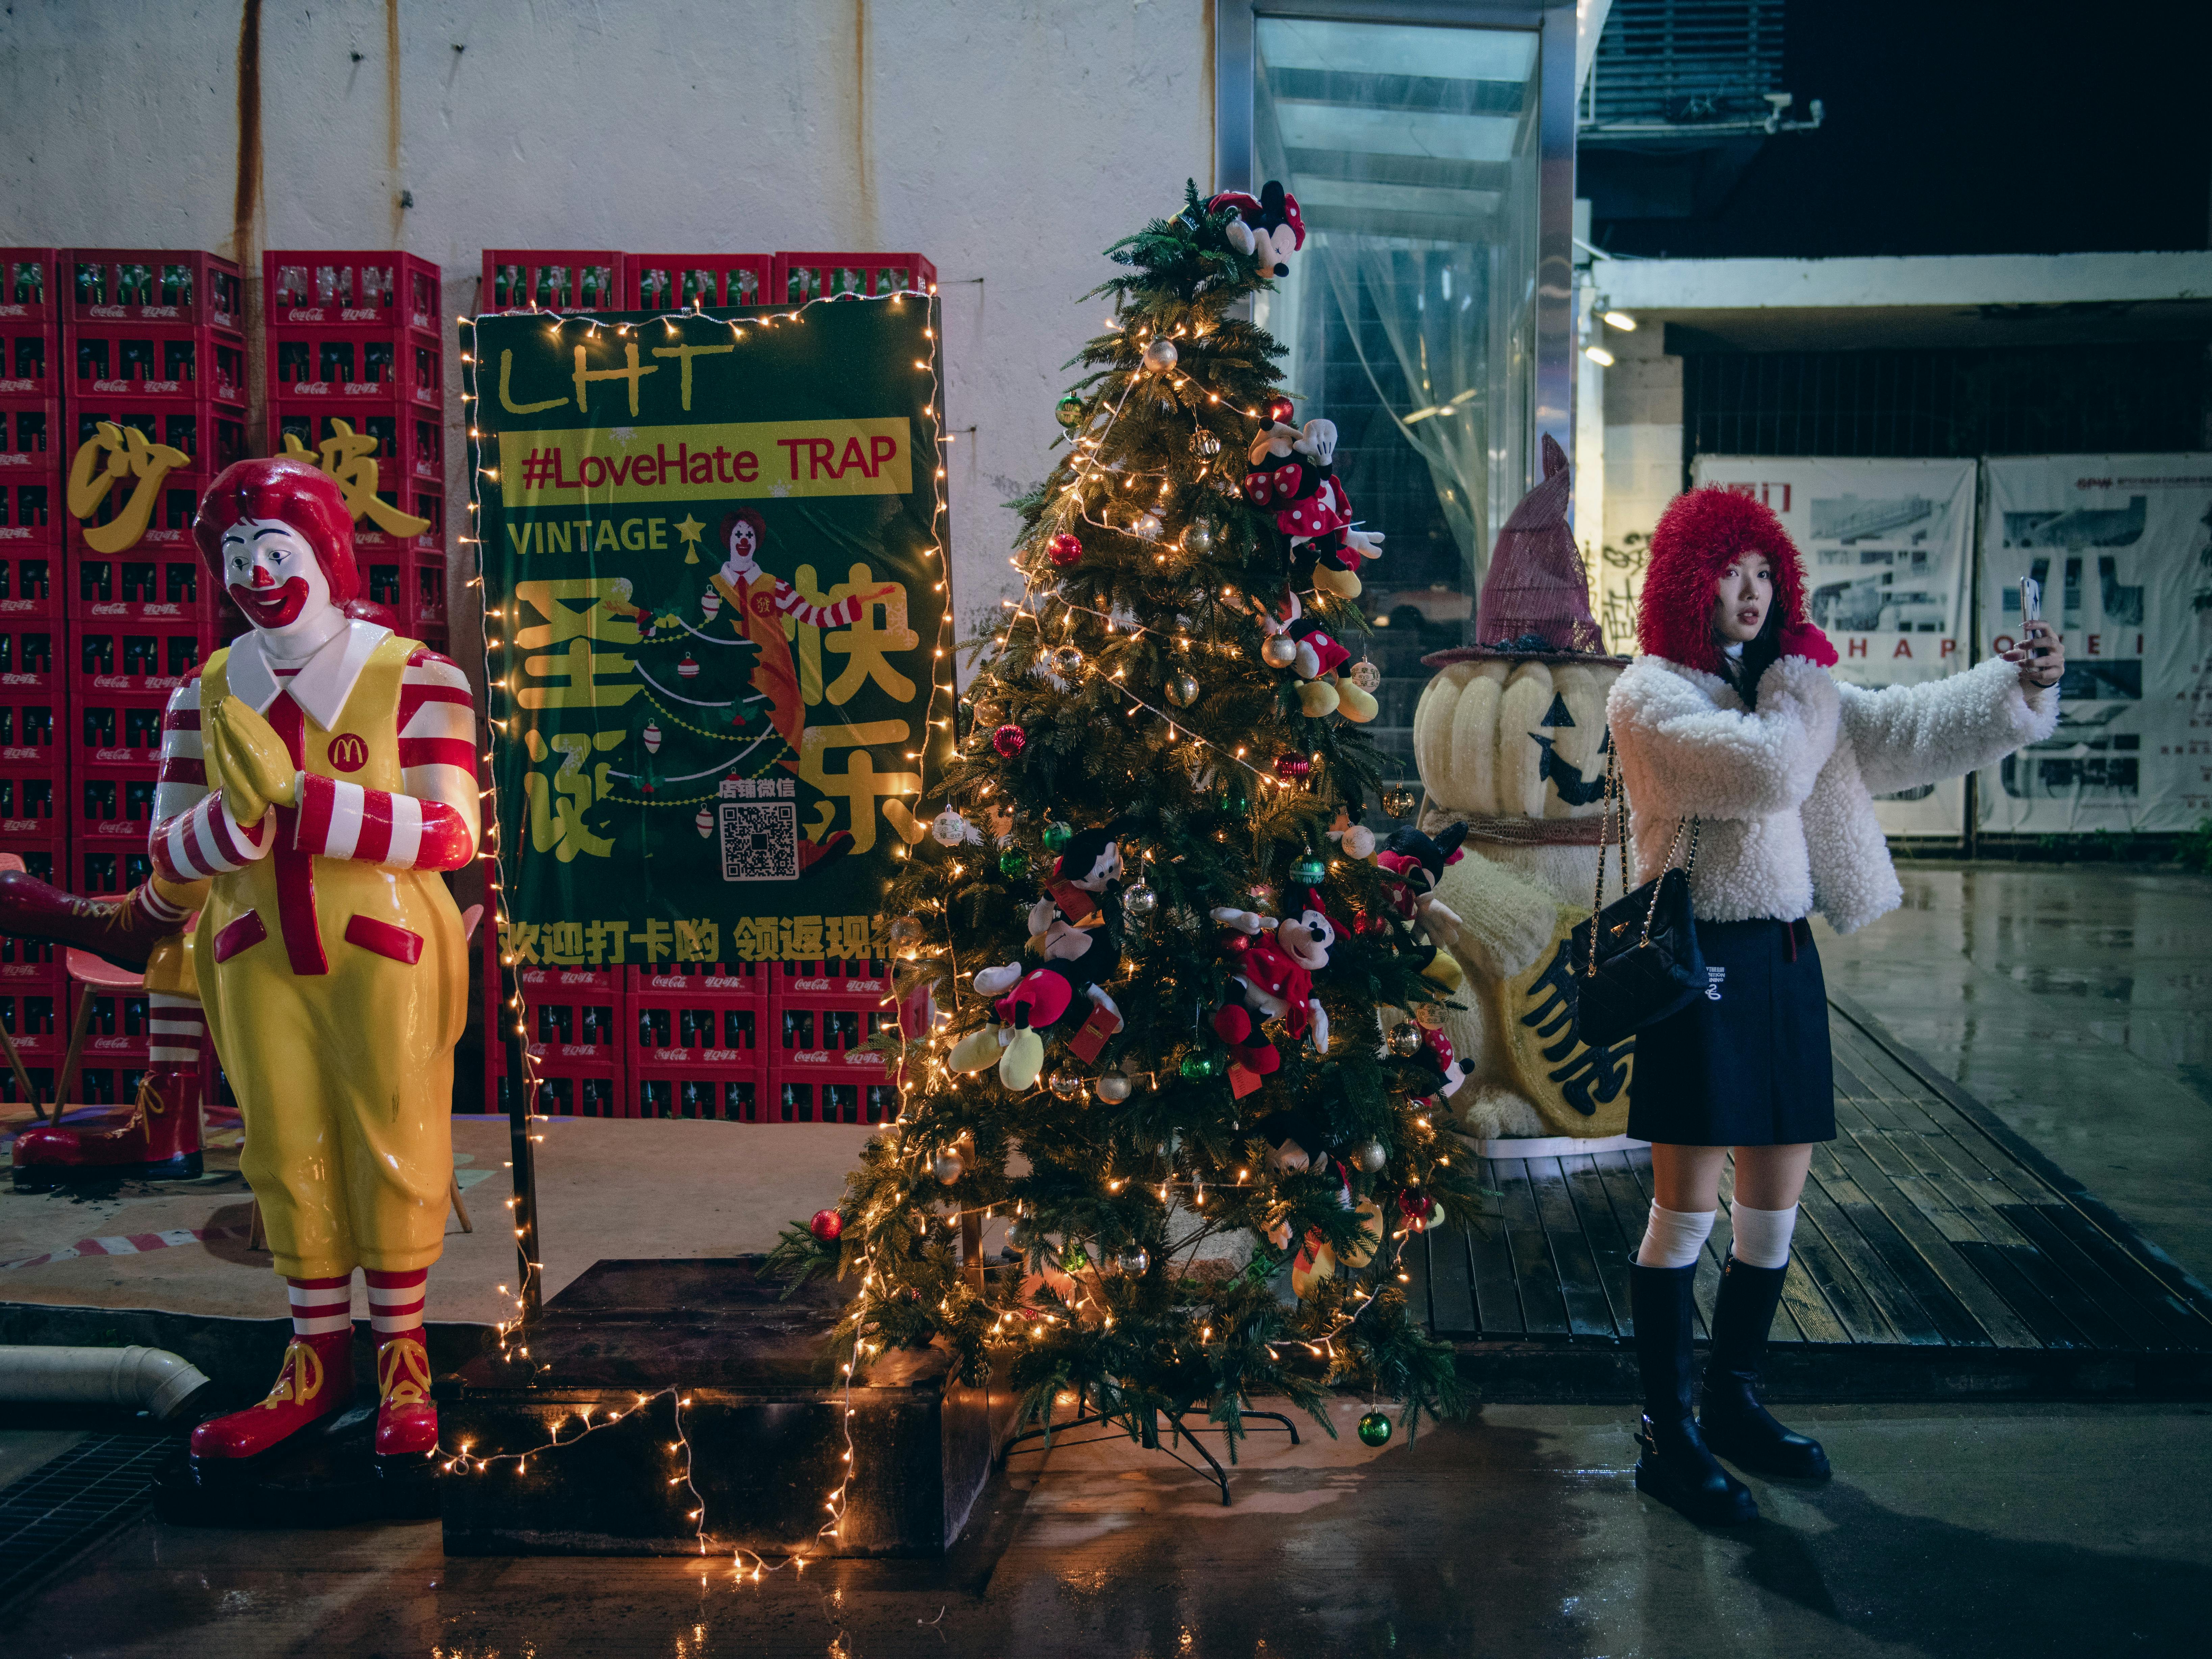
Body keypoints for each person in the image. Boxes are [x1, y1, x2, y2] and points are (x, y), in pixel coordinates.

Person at [1606, 488, 2063, 1524]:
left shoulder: (1784, 688)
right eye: (1732, 572)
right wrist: (1806, 680)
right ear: (1687, 580)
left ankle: (1732, 1401)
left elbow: (1906, 731)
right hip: (1697, 964)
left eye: (1767, 573)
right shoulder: (1651, 694)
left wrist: (2017, 687)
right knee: (1684, 1212)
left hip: (1781, 957)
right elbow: (1768, 771)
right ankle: (1665, 1433)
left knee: (1773, 1211)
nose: (1754, 592)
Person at [156, 457, 478, 1470]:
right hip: (255, 957)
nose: (256, 573)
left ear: (326, 550)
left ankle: (403, 1357)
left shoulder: (419, 678)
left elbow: (454, 832)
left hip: (385, 953)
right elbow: (167, 854)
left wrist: (306, 802)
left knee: (396, 1139)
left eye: (275, 548)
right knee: (283, 1148)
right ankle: (313, 1358)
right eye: (235, 555)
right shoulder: (202, 695)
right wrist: (233, 829)